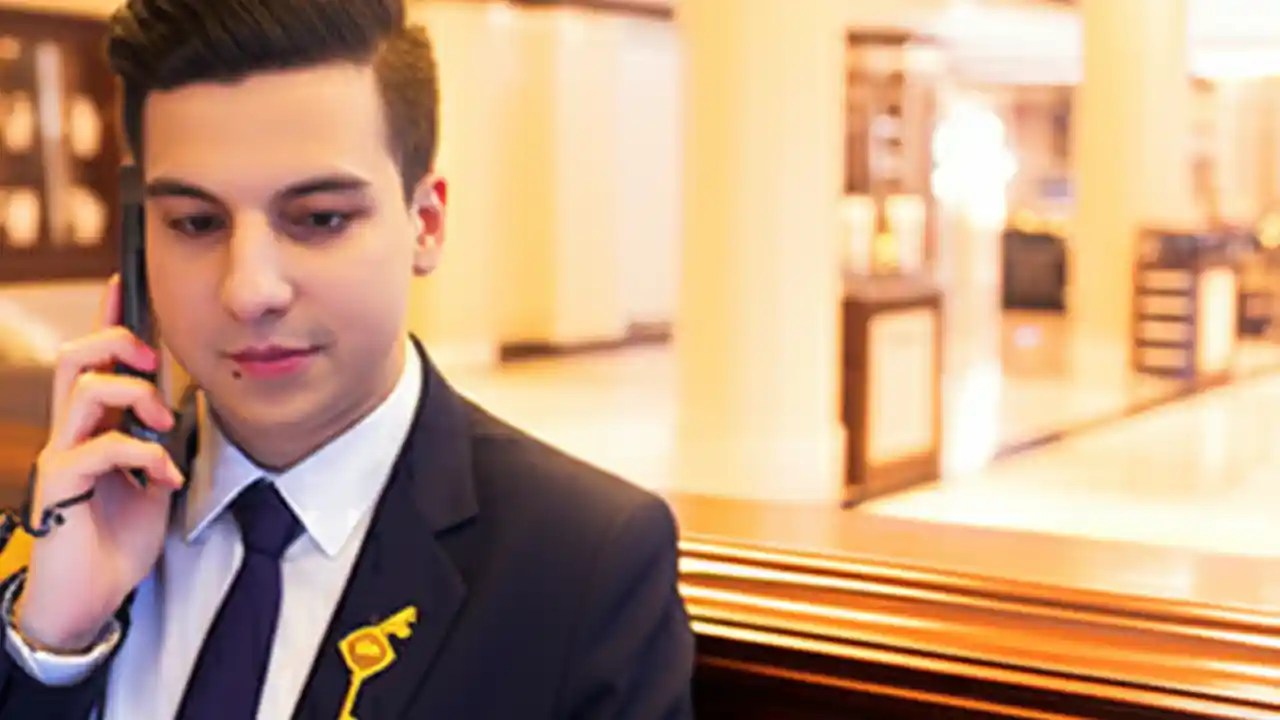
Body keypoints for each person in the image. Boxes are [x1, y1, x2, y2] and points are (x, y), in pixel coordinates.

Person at [0, 0, 696, 717]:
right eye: (196, 223)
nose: (250, 291)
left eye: (320, 219)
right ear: (141, 239)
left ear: (424, 224)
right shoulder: (78, 515)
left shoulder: (580, 562)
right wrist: (53, 645)